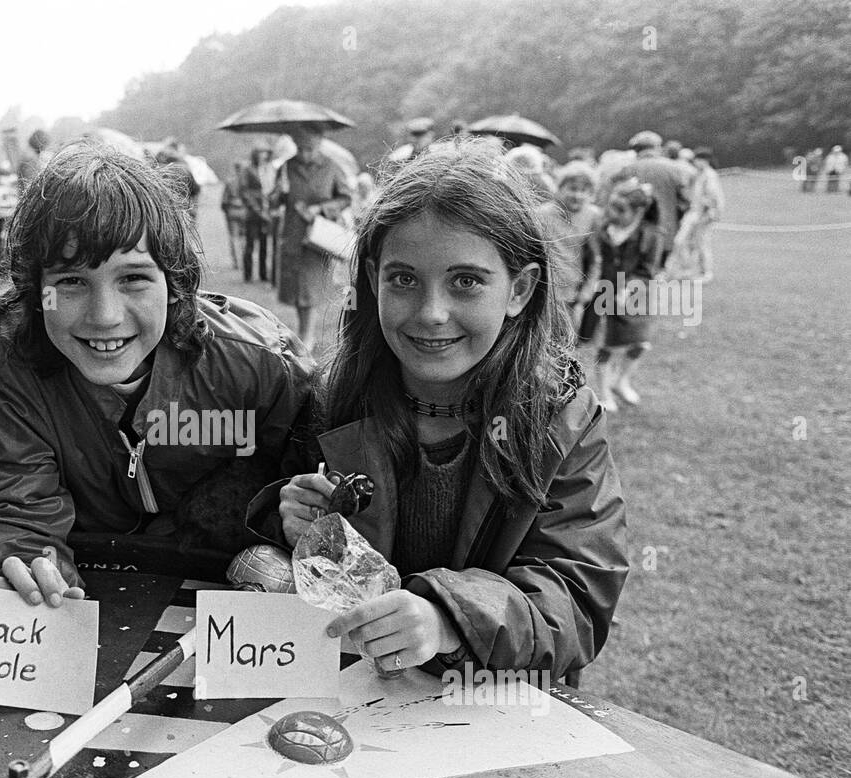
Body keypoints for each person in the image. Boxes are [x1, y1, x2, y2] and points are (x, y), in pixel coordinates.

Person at [258, 137, 627, 681]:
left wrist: (448, 618)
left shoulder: (562, 424)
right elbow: (312, 569)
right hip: (357, 695)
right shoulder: (334, 399)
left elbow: (577, 594)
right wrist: (294, 525)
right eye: (403, 279)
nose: (432, 313)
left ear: (520, 290)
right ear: (371, 281)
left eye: (466, 282)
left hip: (494, 706)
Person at [0, 141, 315, 602]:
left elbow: (314, 475)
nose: (105, 316)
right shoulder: (12, 361)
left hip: (224, 588)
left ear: (174, 284)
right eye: (70, 282)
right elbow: (12, 499)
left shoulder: (258, 364)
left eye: (134, 278)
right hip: (96, 574)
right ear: (34, 293)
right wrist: (29, 565)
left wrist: (284, 517)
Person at [272, 125, 352, 350]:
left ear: (319, 144)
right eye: (300, 149)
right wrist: (279, 192)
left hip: (317, 236)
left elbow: (345, 197)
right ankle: (303, 331)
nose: (304, 154)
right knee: (296, 287)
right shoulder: (287, 167)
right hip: (293, 234)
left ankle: (306, 335)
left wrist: (321, 208)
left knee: (308, 287)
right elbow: (274, 202)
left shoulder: (332, 167)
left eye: (309, 149)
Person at [591, 178, 662, 411]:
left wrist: (629, 288)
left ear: (639, 211)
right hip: (606, 294)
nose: (612, 213)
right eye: (611, 206)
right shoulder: (602, 229)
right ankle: (602, 393)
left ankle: (621, 381)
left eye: (620, 210)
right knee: (606, 345)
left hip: (637, 296)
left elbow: (648, 270)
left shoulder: (651, 235)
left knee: (640, 342)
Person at [621, 131, 690, 270]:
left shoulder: (627, 169)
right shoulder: (674, 168)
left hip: (632, 232)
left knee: (631, 275)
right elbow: (686, 201)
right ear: (657, 147)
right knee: (658, 272)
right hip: (666, 231)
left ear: (636, 149)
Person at [552, 162, 603, 338]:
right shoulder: (542, 214)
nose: (577, 195)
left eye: (584, 191)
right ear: (560, 188)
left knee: (566, 344)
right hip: (545, 290)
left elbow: (596, 258)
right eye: (572, 188)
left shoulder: (593, 216)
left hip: (572, 292)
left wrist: (587, 292)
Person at [665, 147, 724, 283]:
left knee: (701, 244)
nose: (697, 162)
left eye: (700, 160)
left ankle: (706, 273)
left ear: (706, 161)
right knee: (681, 241)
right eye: (696, 159)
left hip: (703, 214)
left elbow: (713, 197)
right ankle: (685, 271)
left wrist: (709, 213)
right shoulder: (697, 174)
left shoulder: (710, 175)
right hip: (693, 212)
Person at [239, 146, 275, 283]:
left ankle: (263, 274)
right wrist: (257, 209)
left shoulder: (269, 169)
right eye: (260, 152)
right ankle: (248, 275)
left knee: (264, 245)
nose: (263, 155)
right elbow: (244, 191)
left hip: (267, 211)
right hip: (253, 214)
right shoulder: (248, 170)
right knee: (250, 245)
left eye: (265, 152)